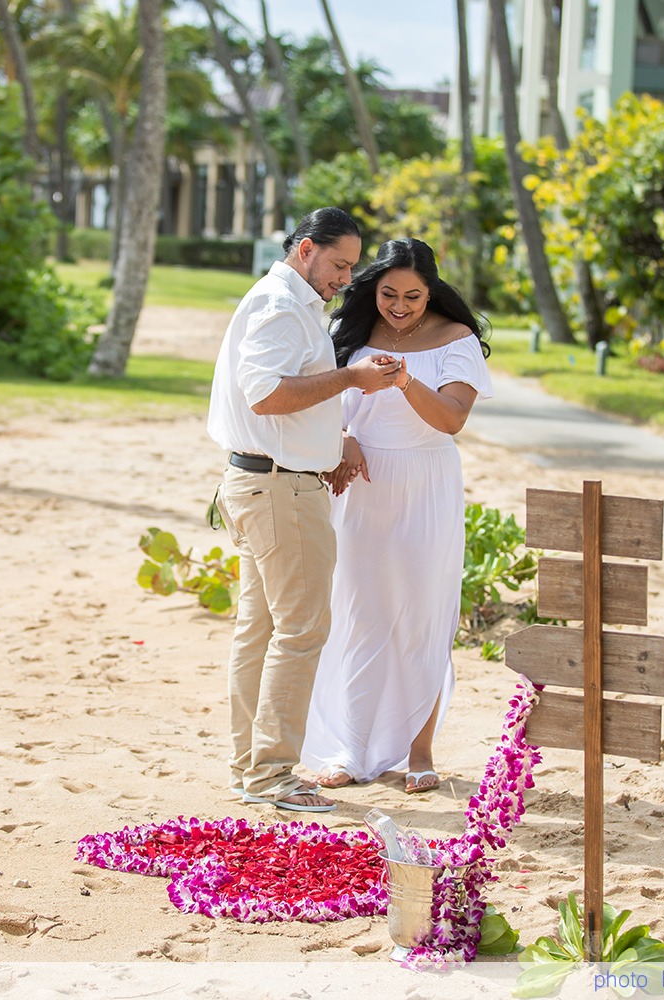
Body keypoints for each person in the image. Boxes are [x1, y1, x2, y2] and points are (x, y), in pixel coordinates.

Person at [207, 207, 402, 814]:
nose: (346, 277)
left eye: (350, 267)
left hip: (260, 483)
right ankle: (271, 776)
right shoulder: (280, 306)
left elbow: (282, 397)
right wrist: (351, 380)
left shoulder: (287, 301)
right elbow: (266, 395)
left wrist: (334, 434)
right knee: (300, 632)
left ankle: (251, 770)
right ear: (307, 250)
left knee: (260, 633)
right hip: (280, 491)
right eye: (340, 264)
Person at [300, 238, 493, 794]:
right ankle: (351, 747)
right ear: (373, 288)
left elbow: (452, 419)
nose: (400, 306)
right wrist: (342, 439)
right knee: (359, 612)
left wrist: (406, 379)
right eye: (388, 294)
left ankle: (420, 751)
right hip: (360, 486)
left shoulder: (458, 341)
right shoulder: (350, 337)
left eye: (413, 295)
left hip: (426, 485)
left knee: (420, 617)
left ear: (432, 293)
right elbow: (321, 403)